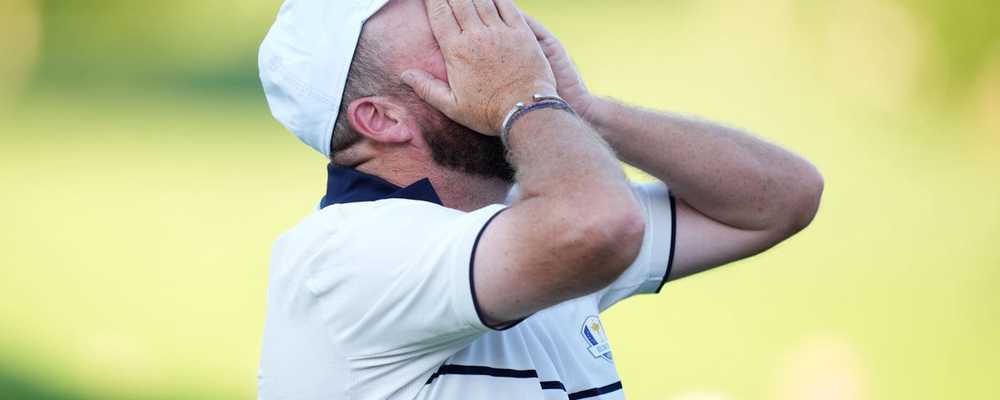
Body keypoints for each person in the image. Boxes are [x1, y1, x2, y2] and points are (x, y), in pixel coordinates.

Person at [256, 0, 824, 399]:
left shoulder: (526, 224)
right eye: (451, 32)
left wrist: (581, 108)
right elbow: (597, 226)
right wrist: (524, 101)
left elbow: (782, 199)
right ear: (381, 119)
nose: (501, 47)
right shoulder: (347, 257)